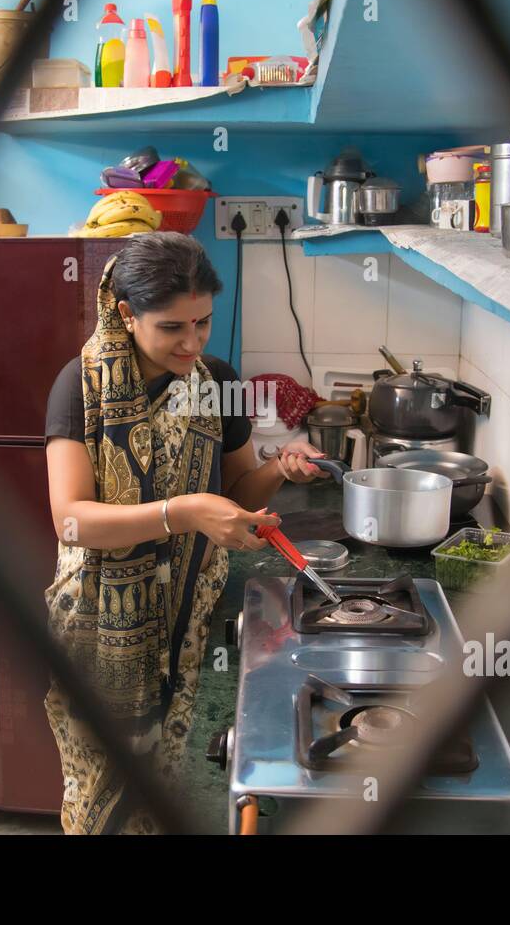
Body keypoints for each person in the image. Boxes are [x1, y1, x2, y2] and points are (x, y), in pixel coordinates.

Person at [43, 231, 327, 833]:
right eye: (173, 327)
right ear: (126, 313)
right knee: (102, 798)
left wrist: (278, 468)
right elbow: (70, 518)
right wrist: (182, 513)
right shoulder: (82, 385)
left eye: (202, 324)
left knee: (169, 791)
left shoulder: (217, 380)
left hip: (187, 617)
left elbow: (237, 493)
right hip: (100, 622)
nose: (192, 343)